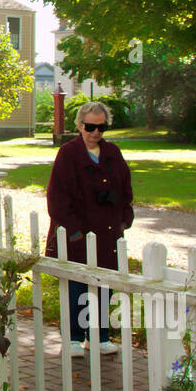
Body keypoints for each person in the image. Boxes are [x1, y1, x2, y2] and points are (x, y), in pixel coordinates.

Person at [45, 101, 134, 358]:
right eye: (90, 126)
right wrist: (74, 231)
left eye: (101, 127)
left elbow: (126, 192)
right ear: (80, 125)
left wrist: (124, 221)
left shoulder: (113, 153)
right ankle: (73, 337)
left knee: (104, 285)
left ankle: (100, 336)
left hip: (107, 234)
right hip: (78, 234)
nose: (95, 132)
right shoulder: (68, 153)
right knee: (77, 287)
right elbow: (57, 198)